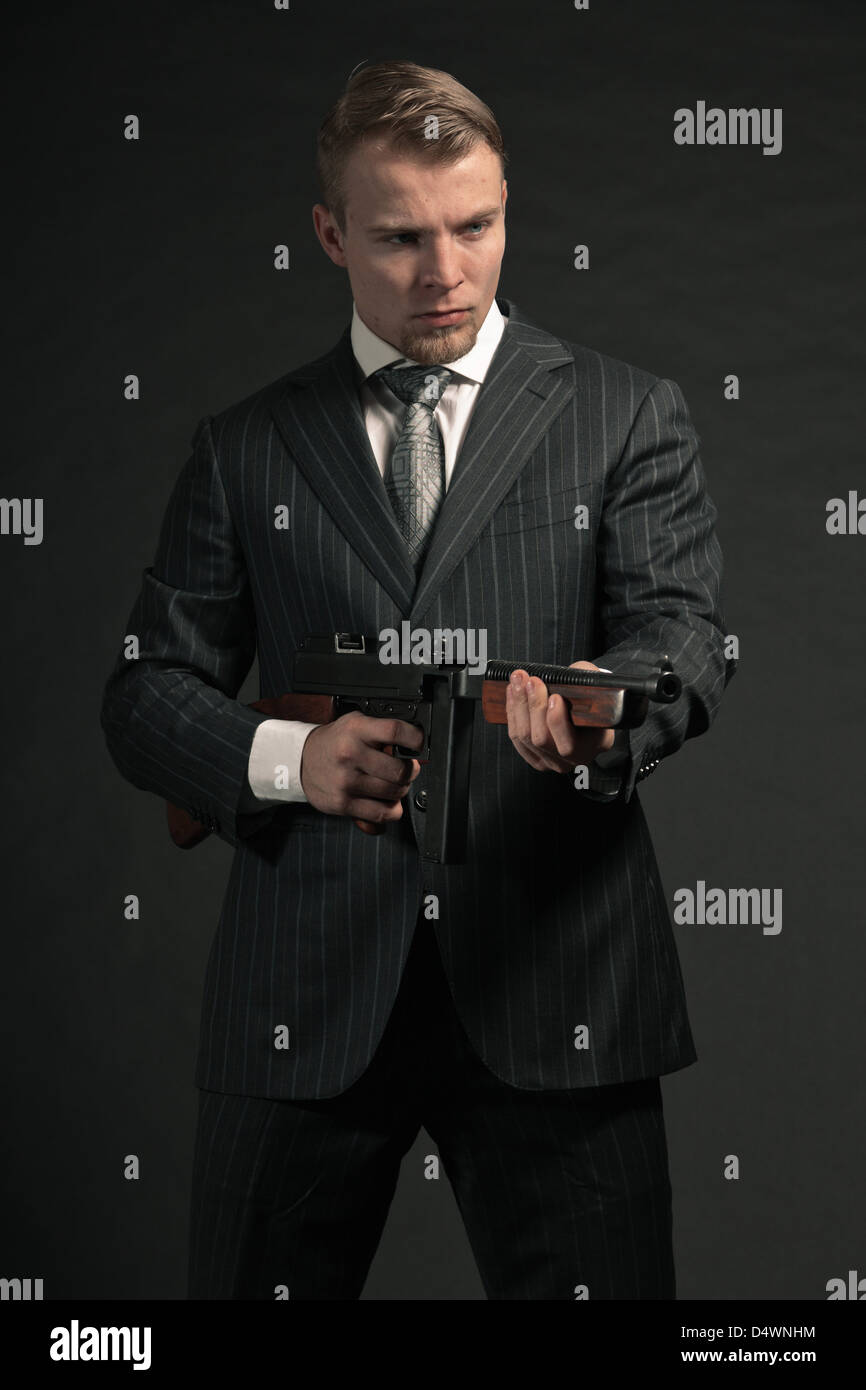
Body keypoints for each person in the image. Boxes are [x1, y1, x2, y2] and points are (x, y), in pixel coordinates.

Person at [100, 59, 734, 1300]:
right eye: (398, 238)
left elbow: (681, 635)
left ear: (506, 210)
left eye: (475, 227)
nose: (443, 271)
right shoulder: (244, 447)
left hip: (560, 985)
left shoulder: (622, 414)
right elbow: (141, 693)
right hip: (303, 992)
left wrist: (600, 718)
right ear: (330, 235)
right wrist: (289, 763)